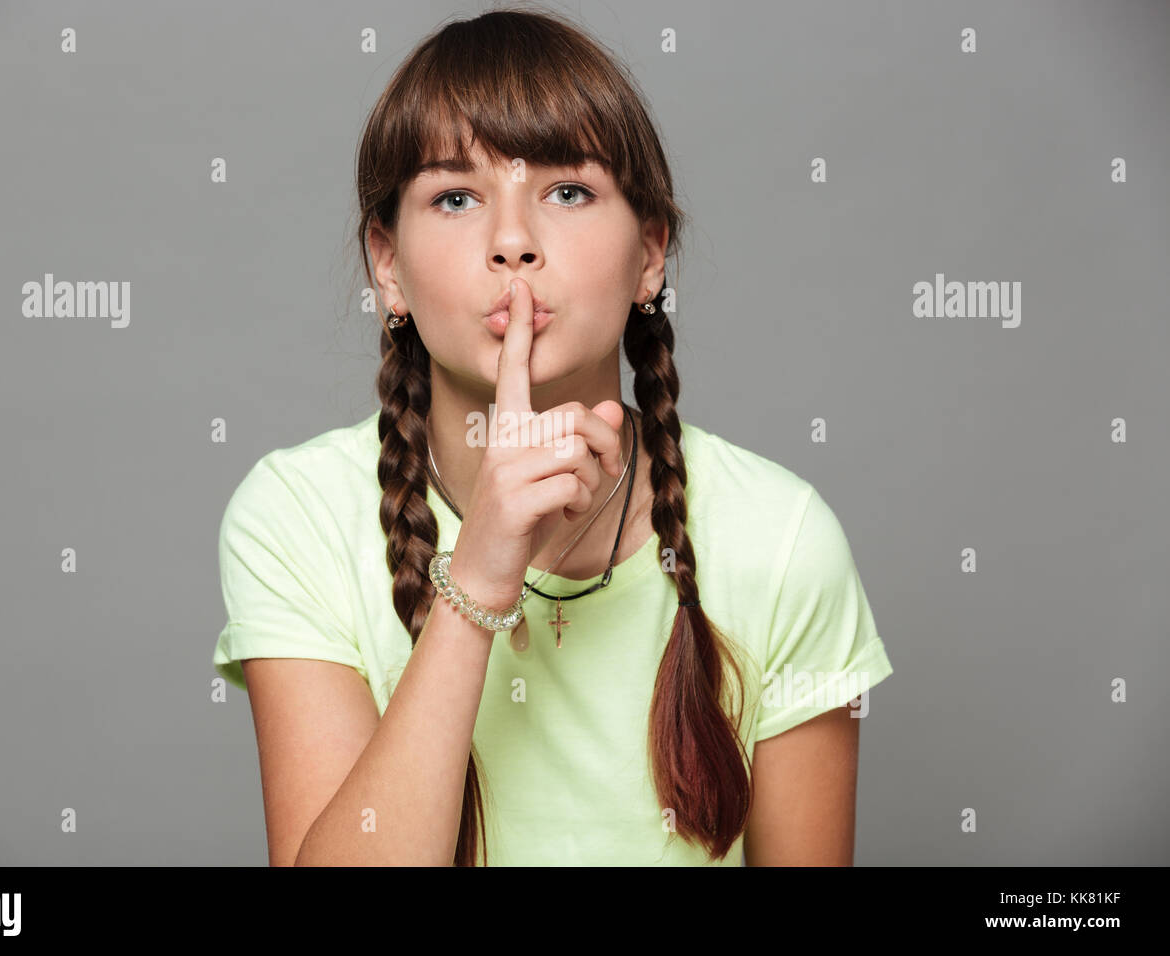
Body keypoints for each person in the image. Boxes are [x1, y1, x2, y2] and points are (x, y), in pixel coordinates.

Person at [213, 7, 894, 866]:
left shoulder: (783, 537)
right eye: (456, 198)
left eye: (567, 192)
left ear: (651, 254)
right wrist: (482, 574)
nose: (512, 242)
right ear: (388, 266)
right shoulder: (294, 516)